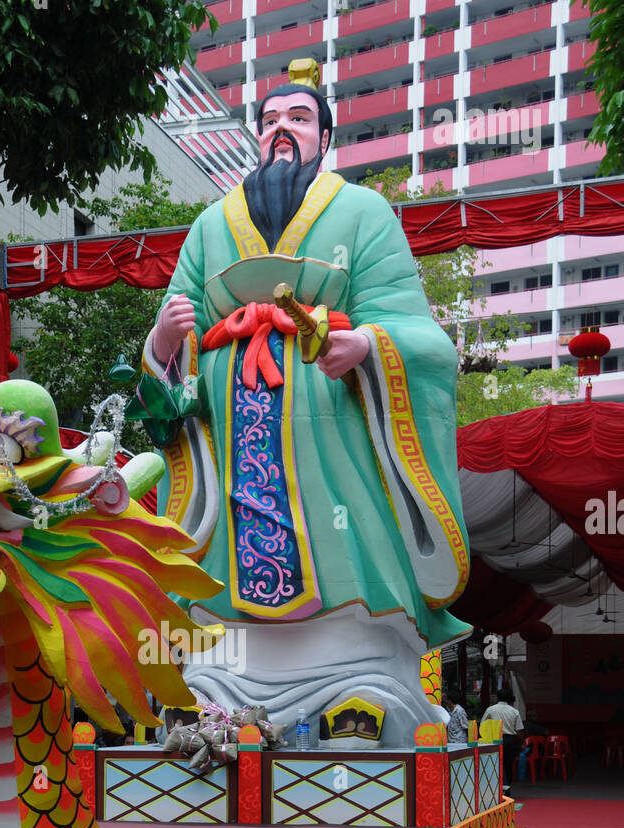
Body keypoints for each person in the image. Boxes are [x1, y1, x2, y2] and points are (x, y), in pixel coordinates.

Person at [144, 58, 470, 748]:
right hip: (231, 429)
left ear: (324, 137)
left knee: (344, 543)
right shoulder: (210, 225)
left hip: (332, 423)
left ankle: (360, 690)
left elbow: (417, 332)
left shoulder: (363, 212)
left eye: (296, 119)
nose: (280, 132)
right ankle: (216, 698)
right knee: (221, 566)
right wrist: (166, 339)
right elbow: (172, 339)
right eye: (268, 121)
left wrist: (368, 346)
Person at [481, 686, 524, 788]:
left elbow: (483, 725)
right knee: (508, 765)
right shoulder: (514, 711)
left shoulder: (490, 710)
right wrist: (520, 744)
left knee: (498, 764)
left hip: (495, 740)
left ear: (497, 697)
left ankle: (501, 788)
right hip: (510, 741)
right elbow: (519, 730)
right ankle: (507, 785)